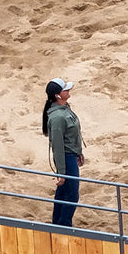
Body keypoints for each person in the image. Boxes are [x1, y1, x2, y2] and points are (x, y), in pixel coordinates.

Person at [42, 77, 84, 227]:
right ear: (57, 95)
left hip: (71, 155)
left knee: (63, 193)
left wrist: (78, 152)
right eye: (65, 89)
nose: (68, 90)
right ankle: (64, 224)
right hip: (66, 158)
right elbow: (58, 147)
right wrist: (61, 172)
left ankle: (57, 223)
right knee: (72, 194)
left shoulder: (64, 109)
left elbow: (72, 135)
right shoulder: (58, 117)